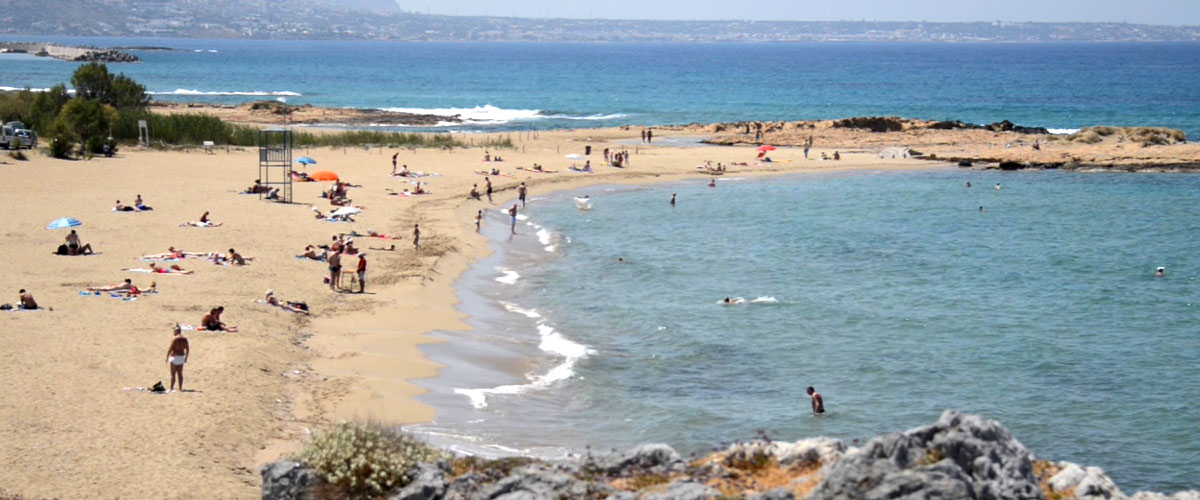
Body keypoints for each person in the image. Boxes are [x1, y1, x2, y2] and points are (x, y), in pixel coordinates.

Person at [167, 325, 190, 392]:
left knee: (173, 374)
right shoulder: (184, 339)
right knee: (180, 374)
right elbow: (187, 349)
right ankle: (180, 388)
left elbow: (170, 348)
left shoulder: (174, 338)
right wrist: (186, 357)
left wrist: (167, 356)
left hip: (174, 357)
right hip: (181, 357)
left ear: (176, 331)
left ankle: (171, 388)